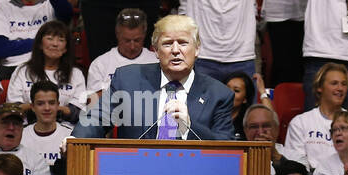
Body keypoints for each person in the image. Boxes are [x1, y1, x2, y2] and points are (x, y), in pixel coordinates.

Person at [73, 14, 234, 141]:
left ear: (197, 49)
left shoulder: (218, 94)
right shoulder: (128, 79)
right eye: (167, 43)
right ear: (156, 51)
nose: (175, 50)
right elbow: (96, 118)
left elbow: (227, 150)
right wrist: (75, 141)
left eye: (183, 43)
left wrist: (190, 127)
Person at [5, 20, 87, 122]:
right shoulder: (23, 71)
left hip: (65, 129)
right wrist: (46, 108)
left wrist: (43, 107)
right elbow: (13, 108)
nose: (55, 44)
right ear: (40, 44)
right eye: (50, 39)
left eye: (61, 40)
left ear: (66, 48)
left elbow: (77, 112)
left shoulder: (76, 74)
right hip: (27, 128)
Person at [85, 8, 158, 101]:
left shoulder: (156, 61)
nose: (132, 46)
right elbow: (92, 101)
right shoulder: (100, 64)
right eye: (127, 41)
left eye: (137, 40)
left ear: (144, 34)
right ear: (117, 34)